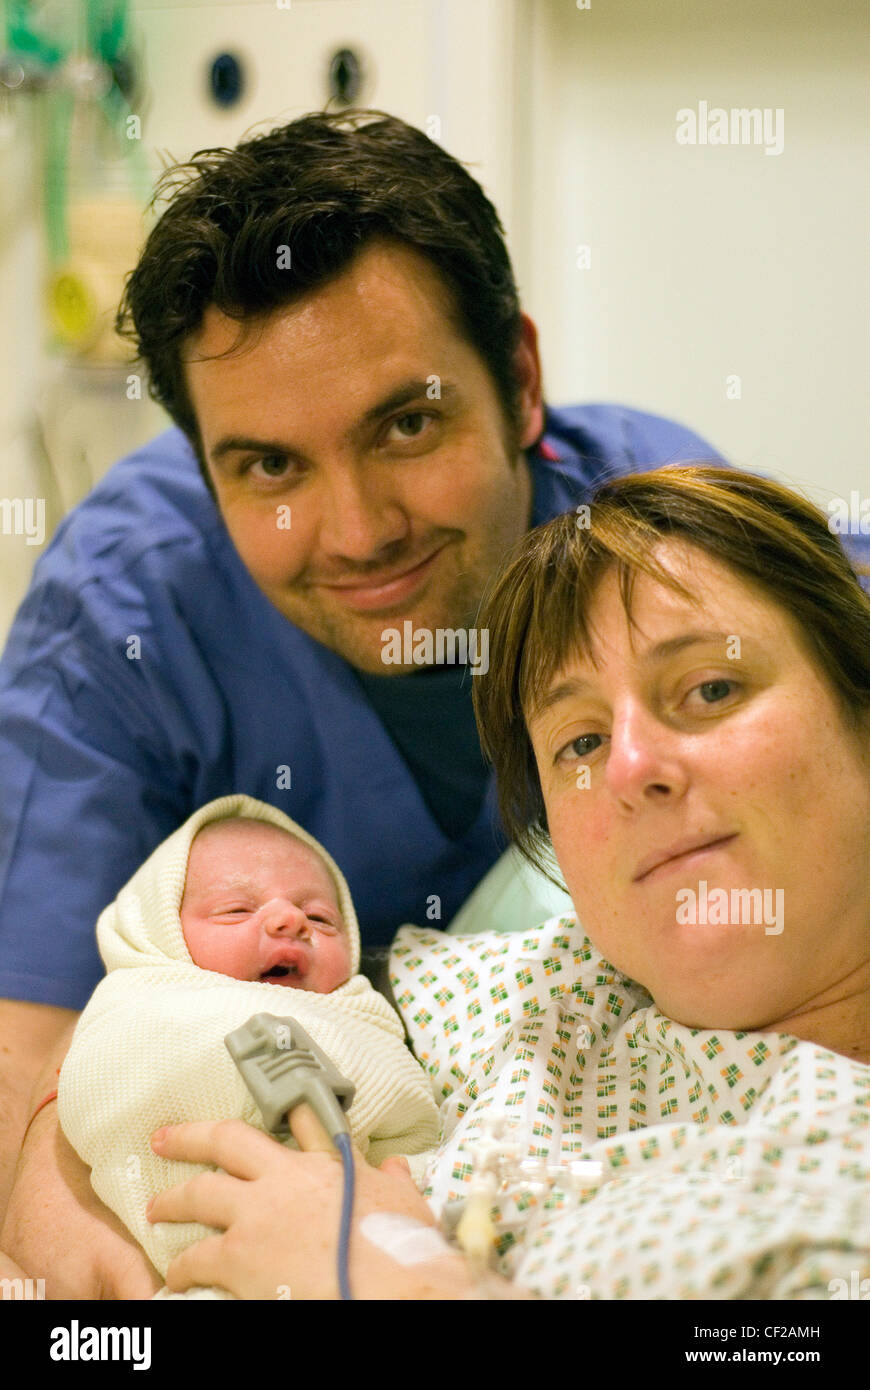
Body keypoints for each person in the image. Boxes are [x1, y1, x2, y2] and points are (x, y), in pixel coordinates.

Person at [0, 107, 730, 1284]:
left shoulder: (670, 547)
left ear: (523, 382)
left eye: (406, 423)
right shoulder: (125, 616)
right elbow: (22, 1041)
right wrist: (51, 1174)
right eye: (270, 466)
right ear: (203, 467)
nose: (357, 531)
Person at [143, 466, 870, 1299]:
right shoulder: (530, 996)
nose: (630, 766)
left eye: (710, 688)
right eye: (581, 744)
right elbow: (172, 975)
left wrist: (391, 1279)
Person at [50, 794, 437, 1299]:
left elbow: (414, 1133)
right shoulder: (140, 1009)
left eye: (320, 918)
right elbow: (109, 1091)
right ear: (159, 936)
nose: (290, 921)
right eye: (236, 910)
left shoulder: (365, 1017)